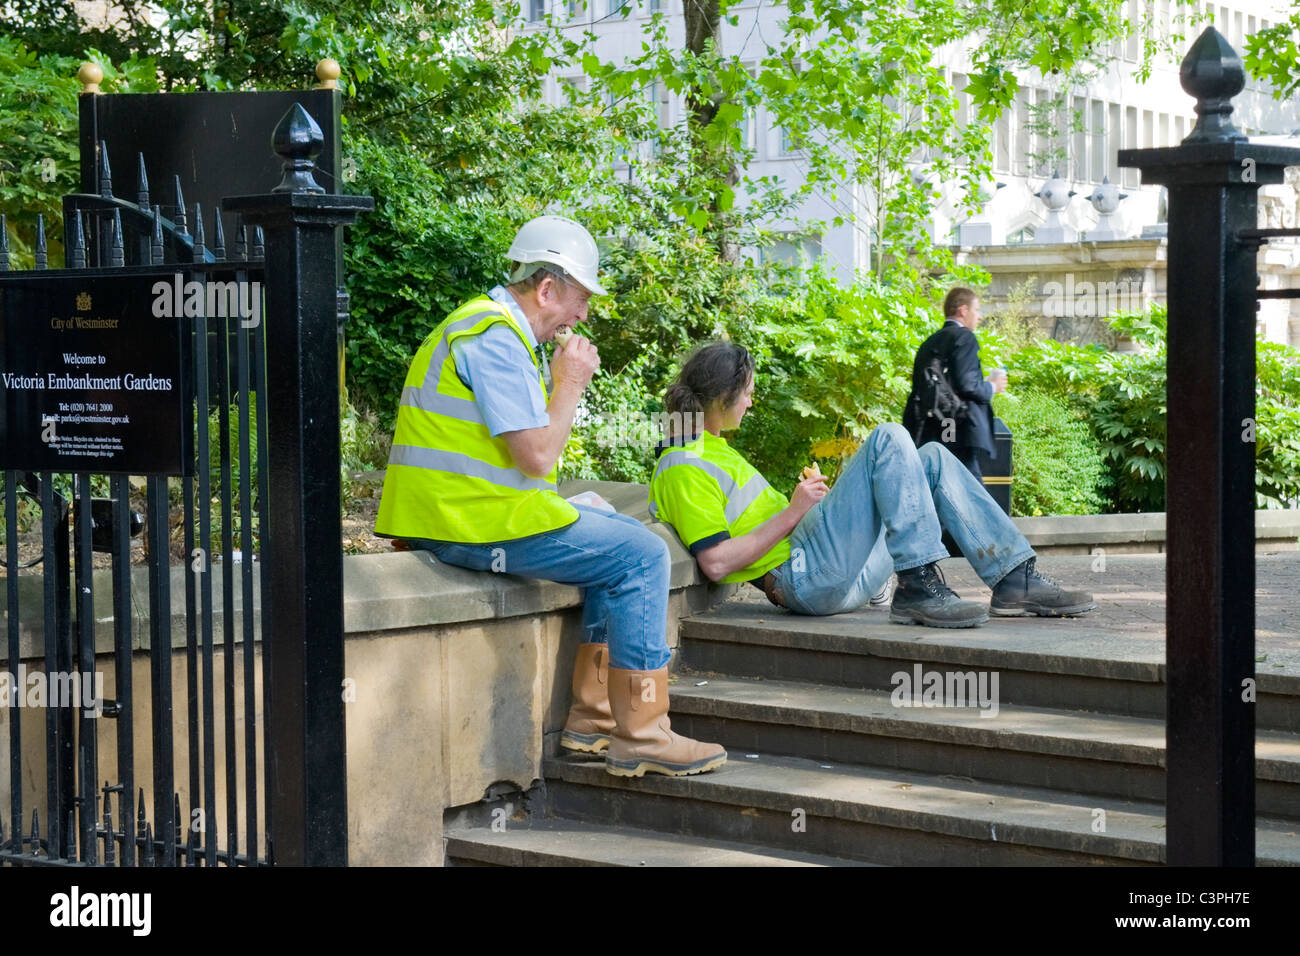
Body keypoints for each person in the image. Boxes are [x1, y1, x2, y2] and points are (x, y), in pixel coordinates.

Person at [375, 215, 725, 778]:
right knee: (644, 554)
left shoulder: (490, 330)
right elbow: (537, 456)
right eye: (580, 300)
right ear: (546, 289)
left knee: (625, 539)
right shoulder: (492, 337)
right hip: (465, 524)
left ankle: (592, 722)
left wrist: (571, 504)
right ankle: (642, 732)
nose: (583, 316)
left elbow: (516, 465)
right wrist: (570, 383)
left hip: (470, 515)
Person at [649, 341, 1096, 627]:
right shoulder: (683, 465)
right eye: (746, 391)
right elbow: (717, 564)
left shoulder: (714, 449)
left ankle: (1014, 577)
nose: (751, 400)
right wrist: (794, 512)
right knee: (888, 436)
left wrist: (804, 506)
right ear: (721, 395)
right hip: (805, 578)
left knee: (934, 458)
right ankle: (918, 584)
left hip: (827, 568)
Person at [902, 287, 1007, 480]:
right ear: (962, 310)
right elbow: (968, 384)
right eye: (976, 310)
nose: (980, 316)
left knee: (944, 482)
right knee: (971, 491)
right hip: (957, 427)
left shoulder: (930, 341)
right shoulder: (964, 337)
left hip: (931, 426)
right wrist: (992, 386)